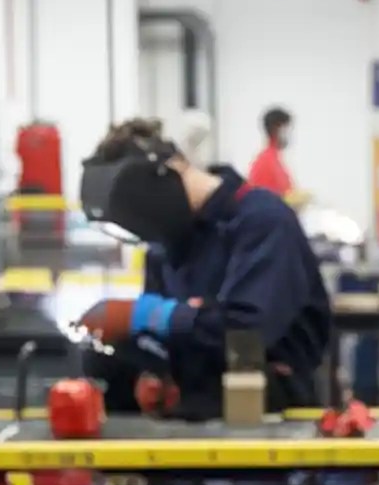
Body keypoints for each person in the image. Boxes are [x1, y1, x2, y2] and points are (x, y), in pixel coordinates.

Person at [76, 118, 331, 421]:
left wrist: (152, 314)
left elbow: (247, 333)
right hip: (193, 404)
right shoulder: (165, 245)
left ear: (170, 173)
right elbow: (161, 337)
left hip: (268, 407)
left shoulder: (262, 221)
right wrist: (151, 372)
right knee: (100, 360)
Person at [247, 107, 294, 196]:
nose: (289, 135)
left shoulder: (273, 158)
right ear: (277, 129)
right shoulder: (266, 161)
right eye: (286, 129)